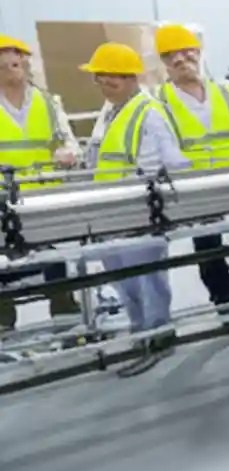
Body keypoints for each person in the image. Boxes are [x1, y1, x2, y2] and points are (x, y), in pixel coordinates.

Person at [153, 24, 229, 311]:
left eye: (186, 51)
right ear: (164, 63)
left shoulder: (226, 91)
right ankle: (222, 298)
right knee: (208, 244)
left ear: (198, 53)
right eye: (171, 55)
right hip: (197, 186)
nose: (180, 59)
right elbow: (166, 146)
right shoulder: (160, 101)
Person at [84, 42, 190, 337]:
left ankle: (157, 333)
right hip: (111, 211)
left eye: (113, 77)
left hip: (140, 211)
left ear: (133, 78)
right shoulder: (111, 112)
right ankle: (139, 330)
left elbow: (171, 163)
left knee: (147, 279)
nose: (105, 83)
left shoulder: (150, 112)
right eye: (100, 77)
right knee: (124, 279)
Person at [0, 34, 82, 328]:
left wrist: (68, 153)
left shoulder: (48, 102)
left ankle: (66, 314)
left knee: (55, 261)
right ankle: (3, 324)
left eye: (17, 54)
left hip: (44, 199)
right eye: (5, 55)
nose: (12, 61)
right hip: (3, 202)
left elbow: (70, 143)